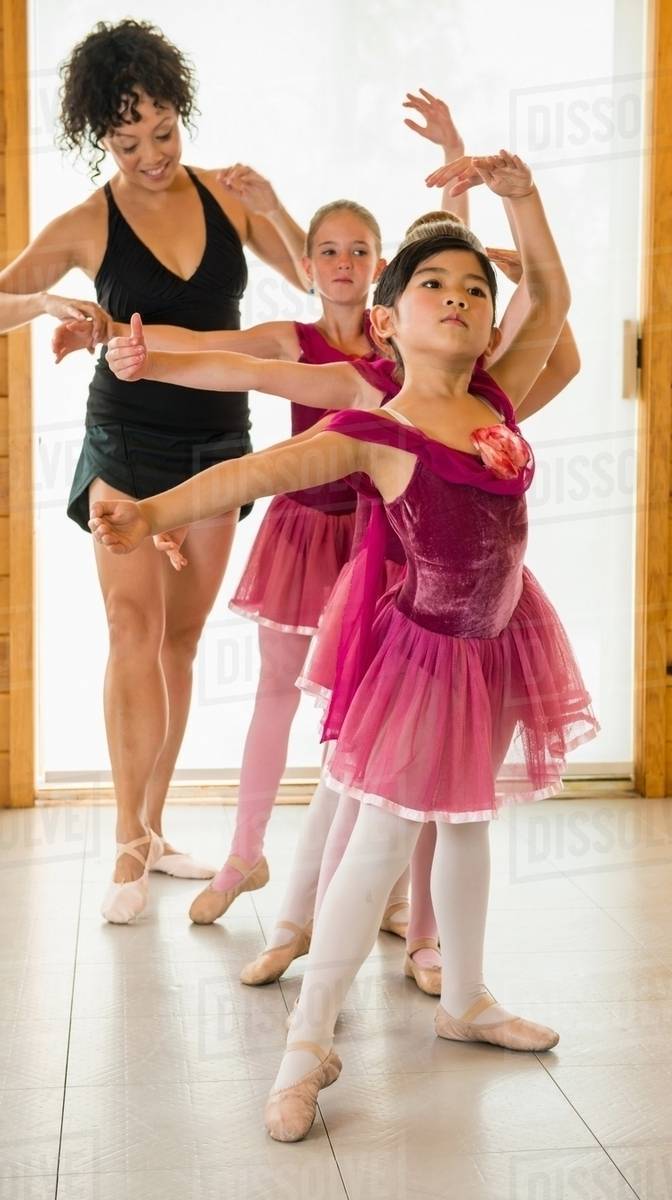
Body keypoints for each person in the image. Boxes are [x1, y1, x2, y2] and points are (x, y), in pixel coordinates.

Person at [91, 150, 599, 1141]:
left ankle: (464, 1000)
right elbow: (264, 467)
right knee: (372, 854)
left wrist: (522, 197)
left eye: (474, 289)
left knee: (467, 829)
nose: (457, 297)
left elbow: (557, 292)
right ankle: (306, 1043)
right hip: (422, 665)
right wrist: (151, 505)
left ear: (491, 323)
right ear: (388, 318)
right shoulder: (384, 424)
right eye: (432, 285)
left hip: (500, 641)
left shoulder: (498, 396)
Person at [0, 18, 308, 923]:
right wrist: (44, 299)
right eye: (127, 142)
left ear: (183, 113)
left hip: (219, 444)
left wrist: (279, 202)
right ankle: (126, 846)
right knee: (131, 629)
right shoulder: (86, 222)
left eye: (164, 133)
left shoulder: (225, 196)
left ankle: (156, 826)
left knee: (179, 640)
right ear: (100, 137)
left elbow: (321, 282)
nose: (150, 157)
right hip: (125, 444)